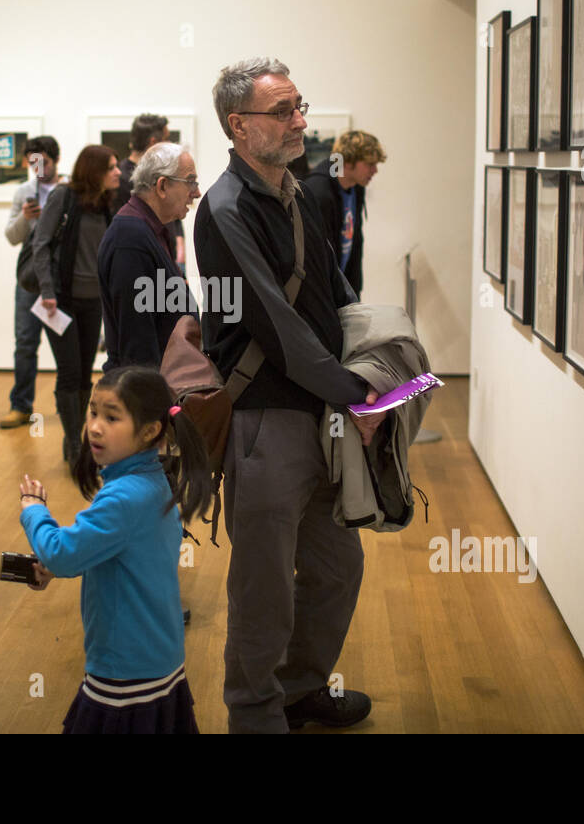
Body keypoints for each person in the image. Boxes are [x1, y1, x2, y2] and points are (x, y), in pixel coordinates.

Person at [194, 57, 384, 734]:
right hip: (266, 418)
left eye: (300, 105)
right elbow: (274, 323)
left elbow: (333, 289)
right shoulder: (223, 210)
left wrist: (369, 359)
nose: (301, 120)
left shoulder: (297, 189)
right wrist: (353, 395)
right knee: (263, 589)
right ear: (239, 126)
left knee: (337, 569)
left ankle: (301, 688)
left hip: (320, 411)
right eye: (283, 111)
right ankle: (254, 713)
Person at [17, 365, 211, 733]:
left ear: (150, 430)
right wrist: (56, 567)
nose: (94, 426)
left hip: (125, 667)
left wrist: (34, 511)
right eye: (93, 412)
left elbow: (61, 552)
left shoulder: (123, 497)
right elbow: (120, 553)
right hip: (158, 655)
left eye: (111, 417)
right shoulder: (153, 479)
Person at [32, 144, 119, 464]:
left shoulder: (107, 204)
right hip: (60, 301)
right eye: (111, 167)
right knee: (69, 372)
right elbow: (40, 244)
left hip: (94, 300)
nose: (118, 172)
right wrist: (47, 290)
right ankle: (72, 442)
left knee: (85, 374)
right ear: (94, 170)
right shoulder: (63, 197)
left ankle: (83, 438)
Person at [98, 142, 200, 370]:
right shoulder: (130, 238)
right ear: (163, 186)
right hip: (145, 390)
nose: (197, 192)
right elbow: (136, 342)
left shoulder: (150, 229)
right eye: (190, 182)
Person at [1, 136, 63, 429]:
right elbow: (12, 237)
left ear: (56, 160)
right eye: (32, 163)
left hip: (62, 278)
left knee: (67, 345)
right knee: (25, 343)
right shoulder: (24, 192)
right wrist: (25, 218)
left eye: (44, 162)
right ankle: (21, 405)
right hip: (29, 280)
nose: (38, 169)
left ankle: (67, 403)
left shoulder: (69, 189)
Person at [302, 130, 386, 297]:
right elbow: (319, 257)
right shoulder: (320, 193)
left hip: (344, 288)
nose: (375, 170)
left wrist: (354, 294)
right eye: (370, 164)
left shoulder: (355, 187)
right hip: (324, 294)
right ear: (348, 162)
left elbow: (355, 242)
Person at [114, 114, 186, 273]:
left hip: (167, 260)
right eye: (167, 139)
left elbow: (172, 211)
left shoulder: (164, 174)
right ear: (154, 142)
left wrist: (179, 241)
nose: (170, 144)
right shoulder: (119, 178)